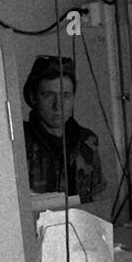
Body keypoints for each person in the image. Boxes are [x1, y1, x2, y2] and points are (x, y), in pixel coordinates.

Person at [22, 55, 106, 204]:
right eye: (49, 95)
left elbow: (98, 201)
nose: (58, 105)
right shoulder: (19, 143)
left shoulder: (87, 142)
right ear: (33, 97)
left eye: (66, 95)